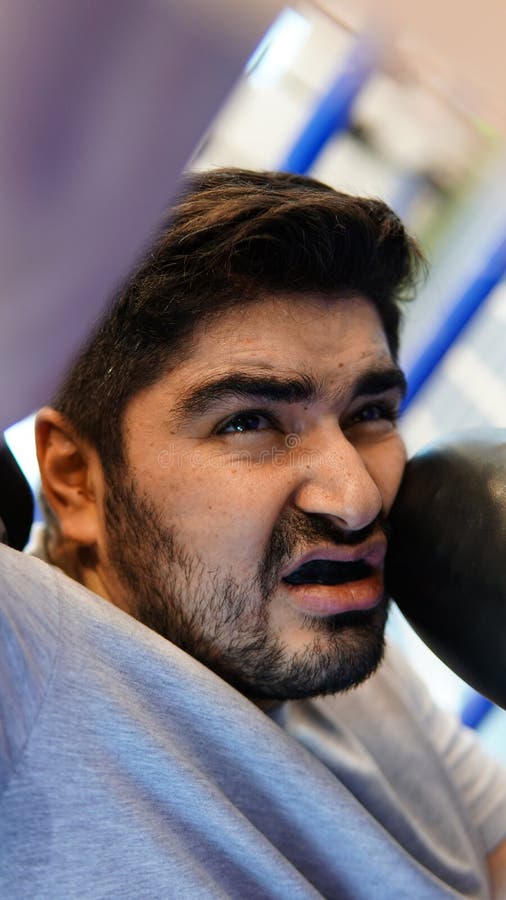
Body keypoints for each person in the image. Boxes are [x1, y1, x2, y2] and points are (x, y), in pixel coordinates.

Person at [1, 168, 505, 898]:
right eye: (249, 421)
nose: (357, 499)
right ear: (76, 477)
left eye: (369, 413)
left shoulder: (328, 636)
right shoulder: (30, 661)